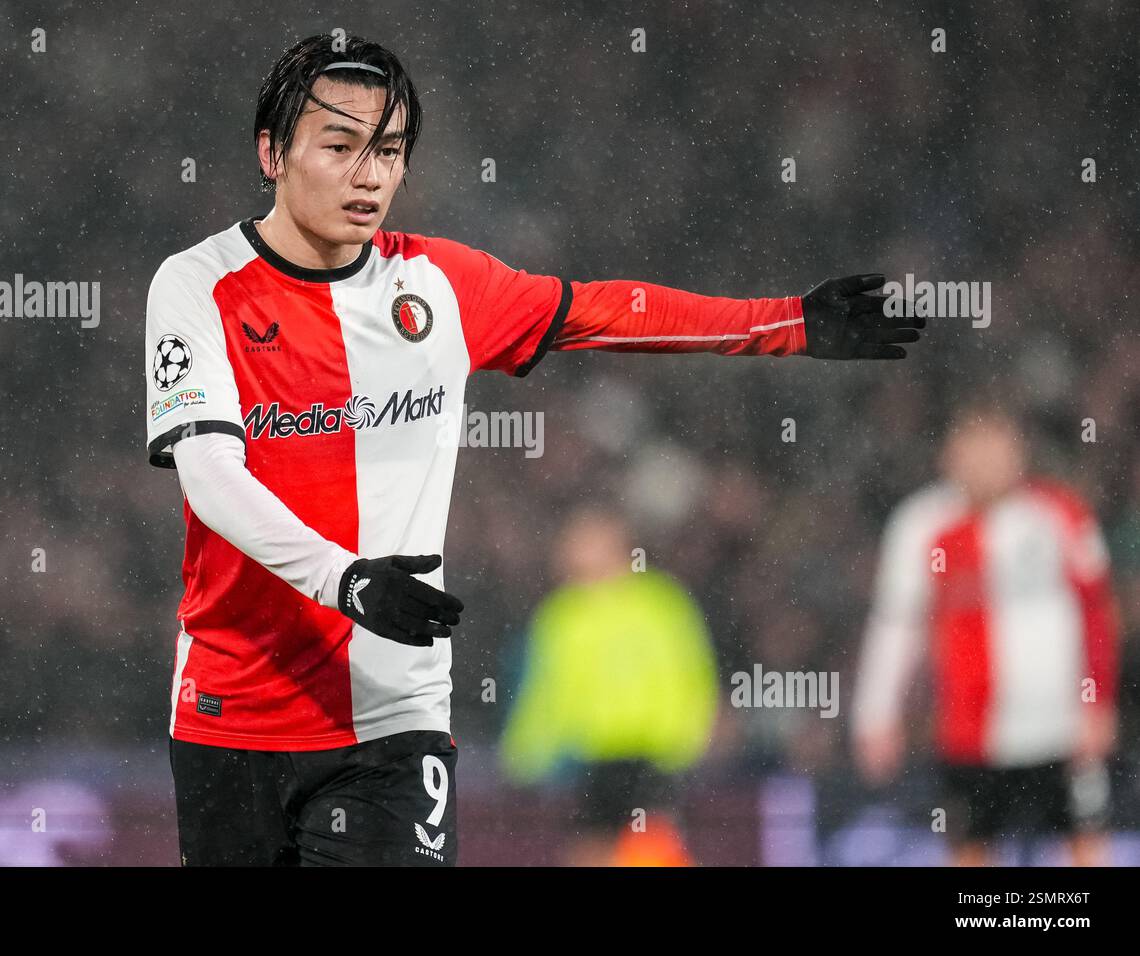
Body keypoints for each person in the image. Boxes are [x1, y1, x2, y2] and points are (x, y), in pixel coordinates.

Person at [146, 33, 925, 867]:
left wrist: (788, 325)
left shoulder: (441, 285)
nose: (369, 175)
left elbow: (606, 311)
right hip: (232, 710)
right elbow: (212, 476)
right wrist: (345, 580)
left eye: (390, 151)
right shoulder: (197, 285)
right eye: (340, 148)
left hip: (393, 714)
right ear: (271, 151)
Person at [851, 407, 1120, 865]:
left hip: (1060, 726)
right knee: (971, 848)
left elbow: (1097, 614)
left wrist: (1099, 701)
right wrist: (875, 714)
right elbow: (896, 627)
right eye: (974, 450)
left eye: (997, 449)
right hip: (969, 731)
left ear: (1019, 453)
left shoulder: (1062, 514)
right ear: (950, 456)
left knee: (1085, 842)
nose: (986, 464)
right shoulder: (920, 526)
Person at [499, 508, 719, 866]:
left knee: (650, 853)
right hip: (590, 760)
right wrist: (523, 756)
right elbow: (545, 694)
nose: (569, 551)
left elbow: (691, 678)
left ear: (616, 543)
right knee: (589, 854)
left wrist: (687, 741)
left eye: (583, 541)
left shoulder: (660, 603)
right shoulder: (561, 614)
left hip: (651, 758)